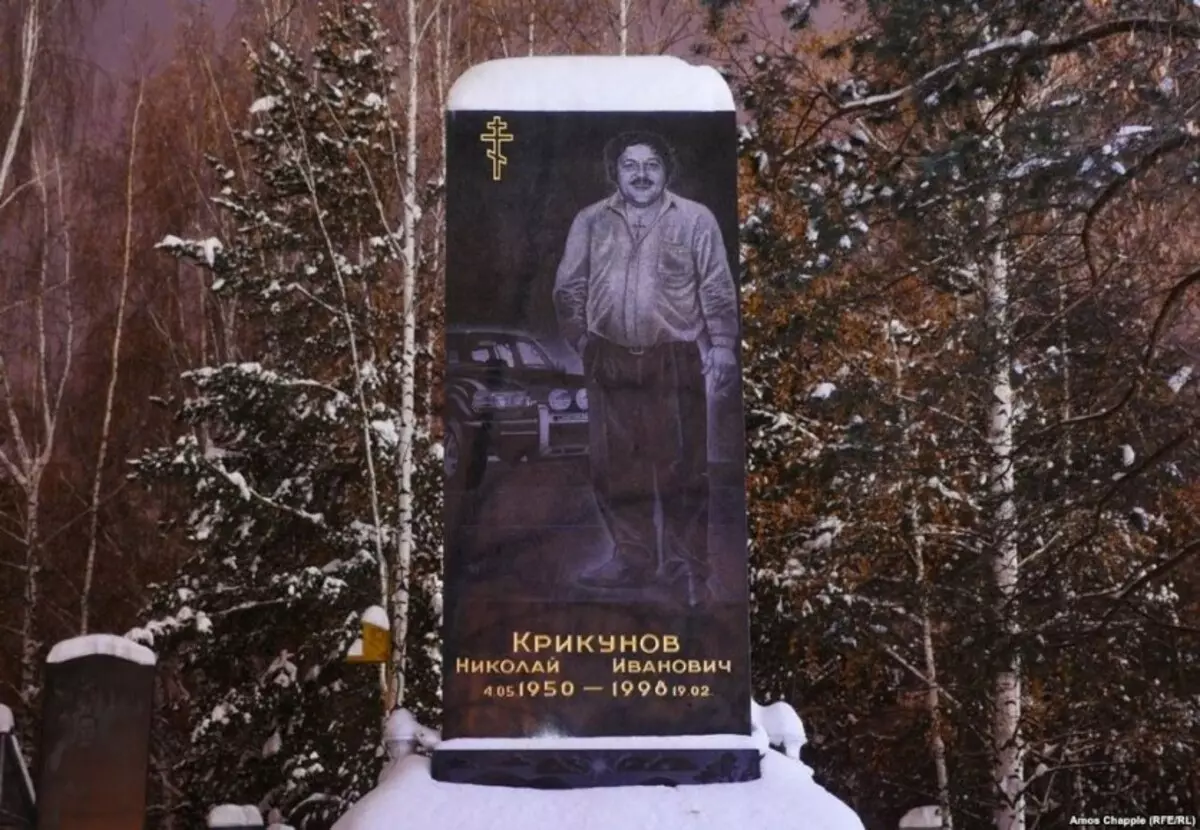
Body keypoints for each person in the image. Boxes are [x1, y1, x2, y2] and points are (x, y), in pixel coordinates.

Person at [553, 130, 739, 606]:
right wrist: (584, 343)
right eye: (629, 165)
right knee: (615, 466)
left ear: (665, 170)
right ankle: (631, 559)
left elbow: (716, 285)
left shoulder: (696, 219)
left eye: (651, 164)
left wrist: (721, 344)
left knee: (683, 467)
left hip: (673, 359)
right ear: (615, 172)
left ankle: (687, 569)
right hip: (609, 357)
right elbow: (567, 288)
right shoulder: (591, 221)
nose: (640, 174)